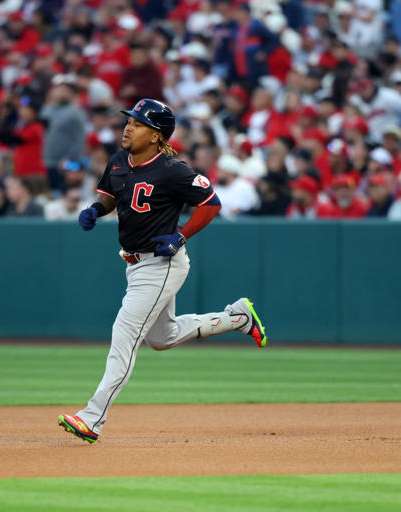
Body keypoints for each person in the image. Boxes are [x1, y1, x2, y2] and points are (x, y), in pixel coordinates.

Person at [57, 99, 267, 444]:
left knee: (124, 333)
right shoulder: (118, 161)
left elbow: (211, 203)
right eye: (130, 121)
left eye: (138, 124)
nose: (128, 127)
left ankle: (91, 417)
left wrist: (181, 236)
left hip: (162, 264)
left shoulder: (172, 169)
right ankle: (238, 318)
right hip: (134, 263)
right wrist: (96, 209)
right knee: (162, 337)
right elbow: (111, 196)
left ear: (156, 135)